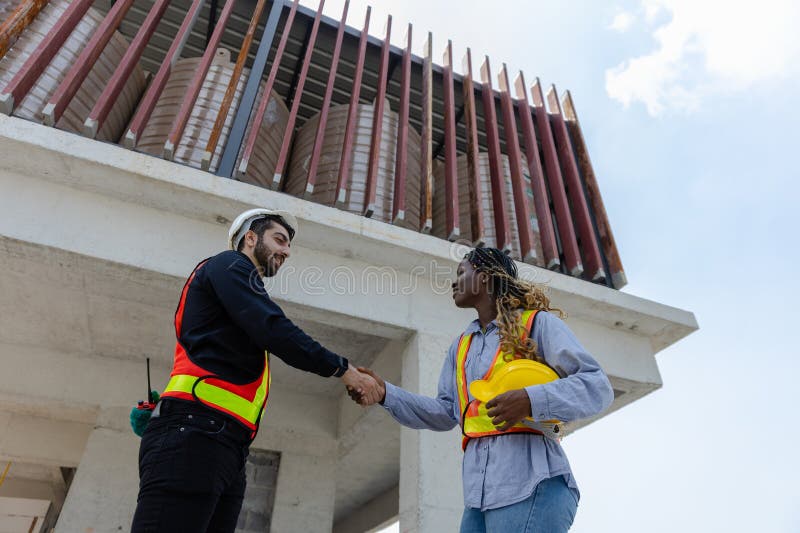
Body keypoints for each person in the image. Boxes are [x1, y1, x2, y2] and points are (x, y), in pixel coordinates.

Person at [131, 208, 382, 532]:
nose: (286, 251)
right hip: (195, 432)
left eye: (289, 245)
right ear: (249, 238)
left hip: (222, 443)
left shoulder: (234, 297)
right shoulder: (227, 264)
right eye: (279, 239)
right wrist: (344, 370)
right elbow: (273, 328)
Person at [350, 247, 614, 532]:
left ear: (485, 277)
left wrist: (530, 400)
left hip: (534, 486)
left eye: (461, 273)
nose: (454, 282)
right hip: (478, 500)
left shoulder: (537, 324)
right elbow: (445, 412)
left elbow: (597, 386)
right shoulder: (461, 347)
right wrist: (386, 393)